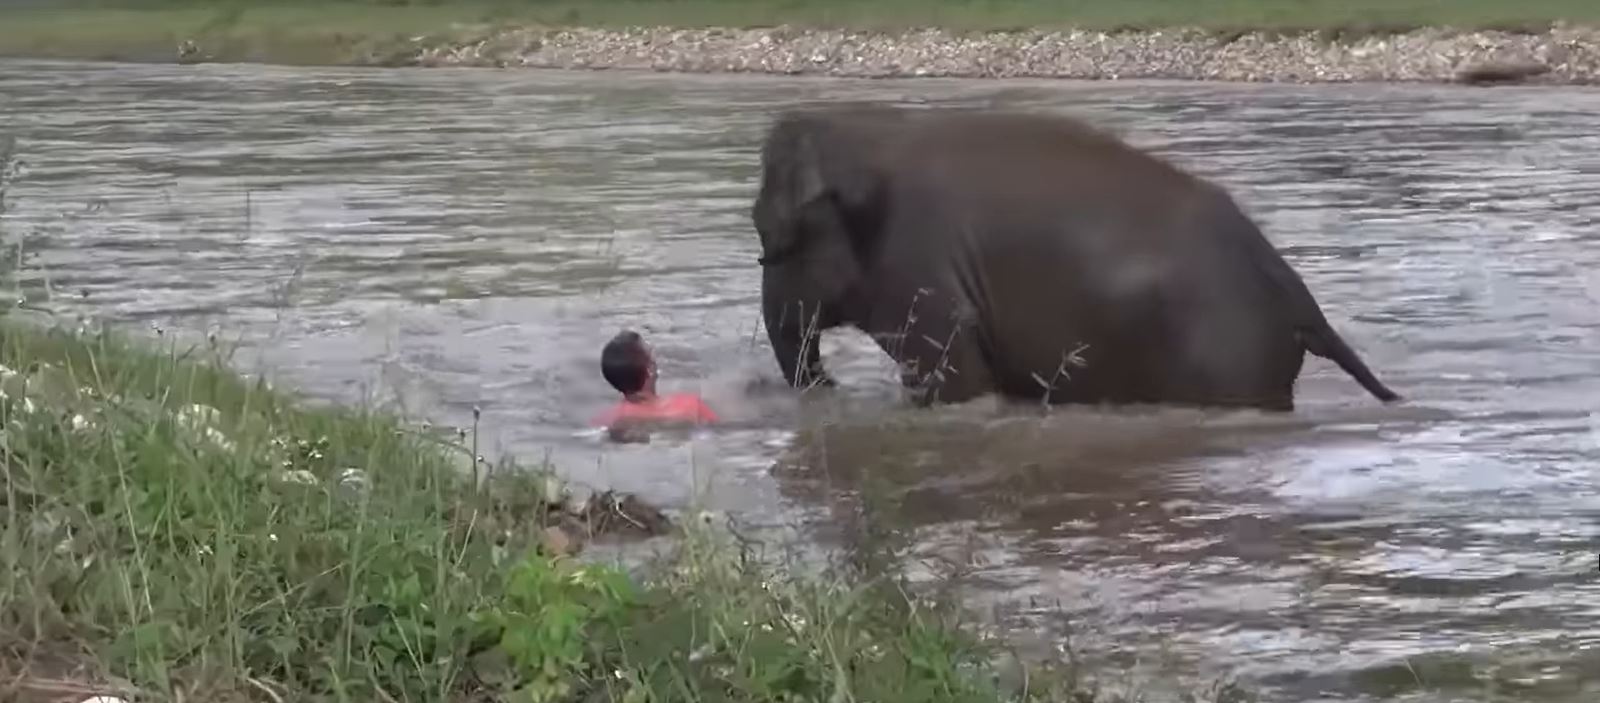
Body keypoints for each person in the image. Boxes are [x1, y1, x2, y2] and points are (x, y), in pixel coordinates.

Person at [591, 330, 718, 436]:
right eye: (651, 354)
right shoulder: (690, 407)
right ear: (650, 370)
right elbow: (716, 437)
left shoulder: (607, 420)